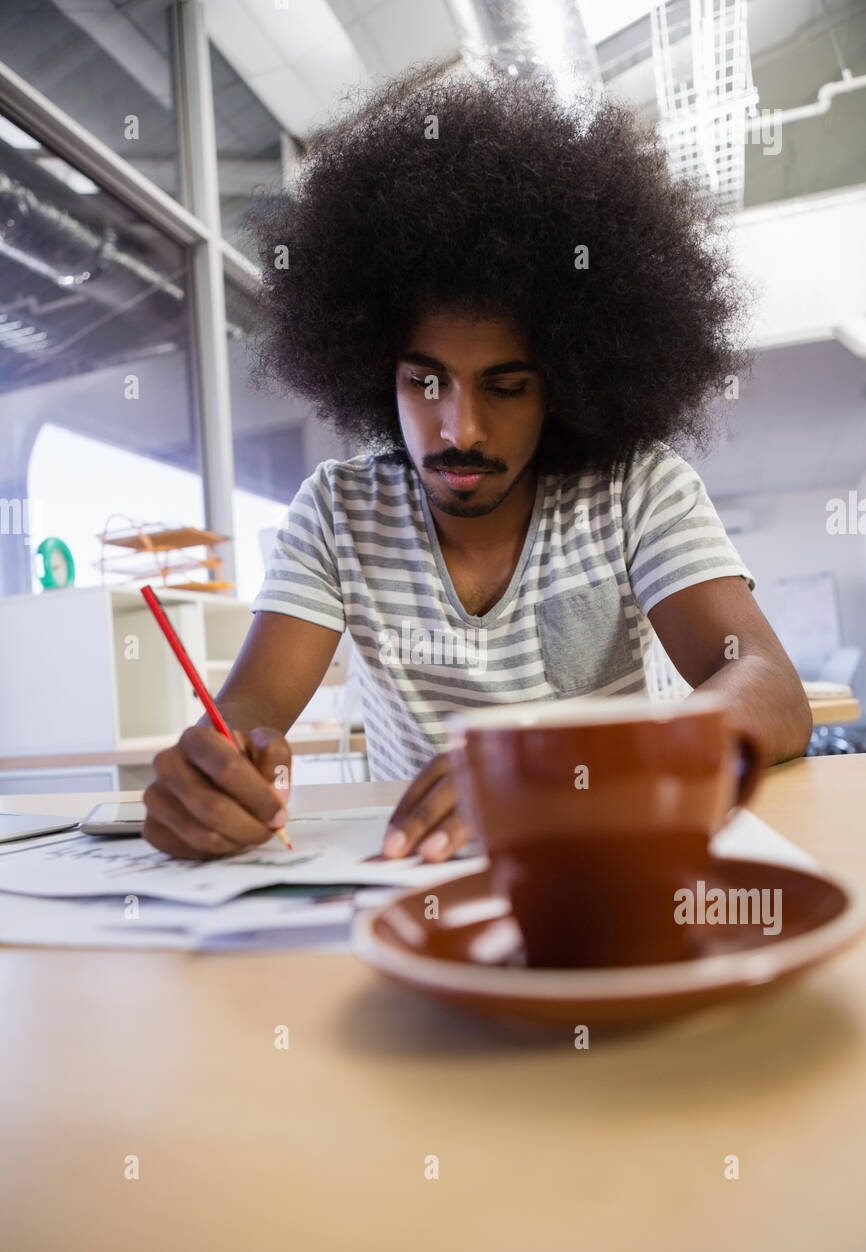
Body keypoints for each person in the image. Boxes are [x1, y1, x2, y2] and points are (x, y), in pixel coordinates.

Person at [142, 64, 811, 862]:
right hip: (405, 875)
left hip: (598, 863)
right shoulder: (337, 512)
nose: (460, 427)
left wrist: (570, 761)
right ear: (372, 370)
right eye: (425, 380)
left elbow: (767, 685)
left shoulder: (635, 488)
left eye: (507, 385)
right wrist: (216, 774)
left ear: (563, 380)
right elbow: (249, 712)